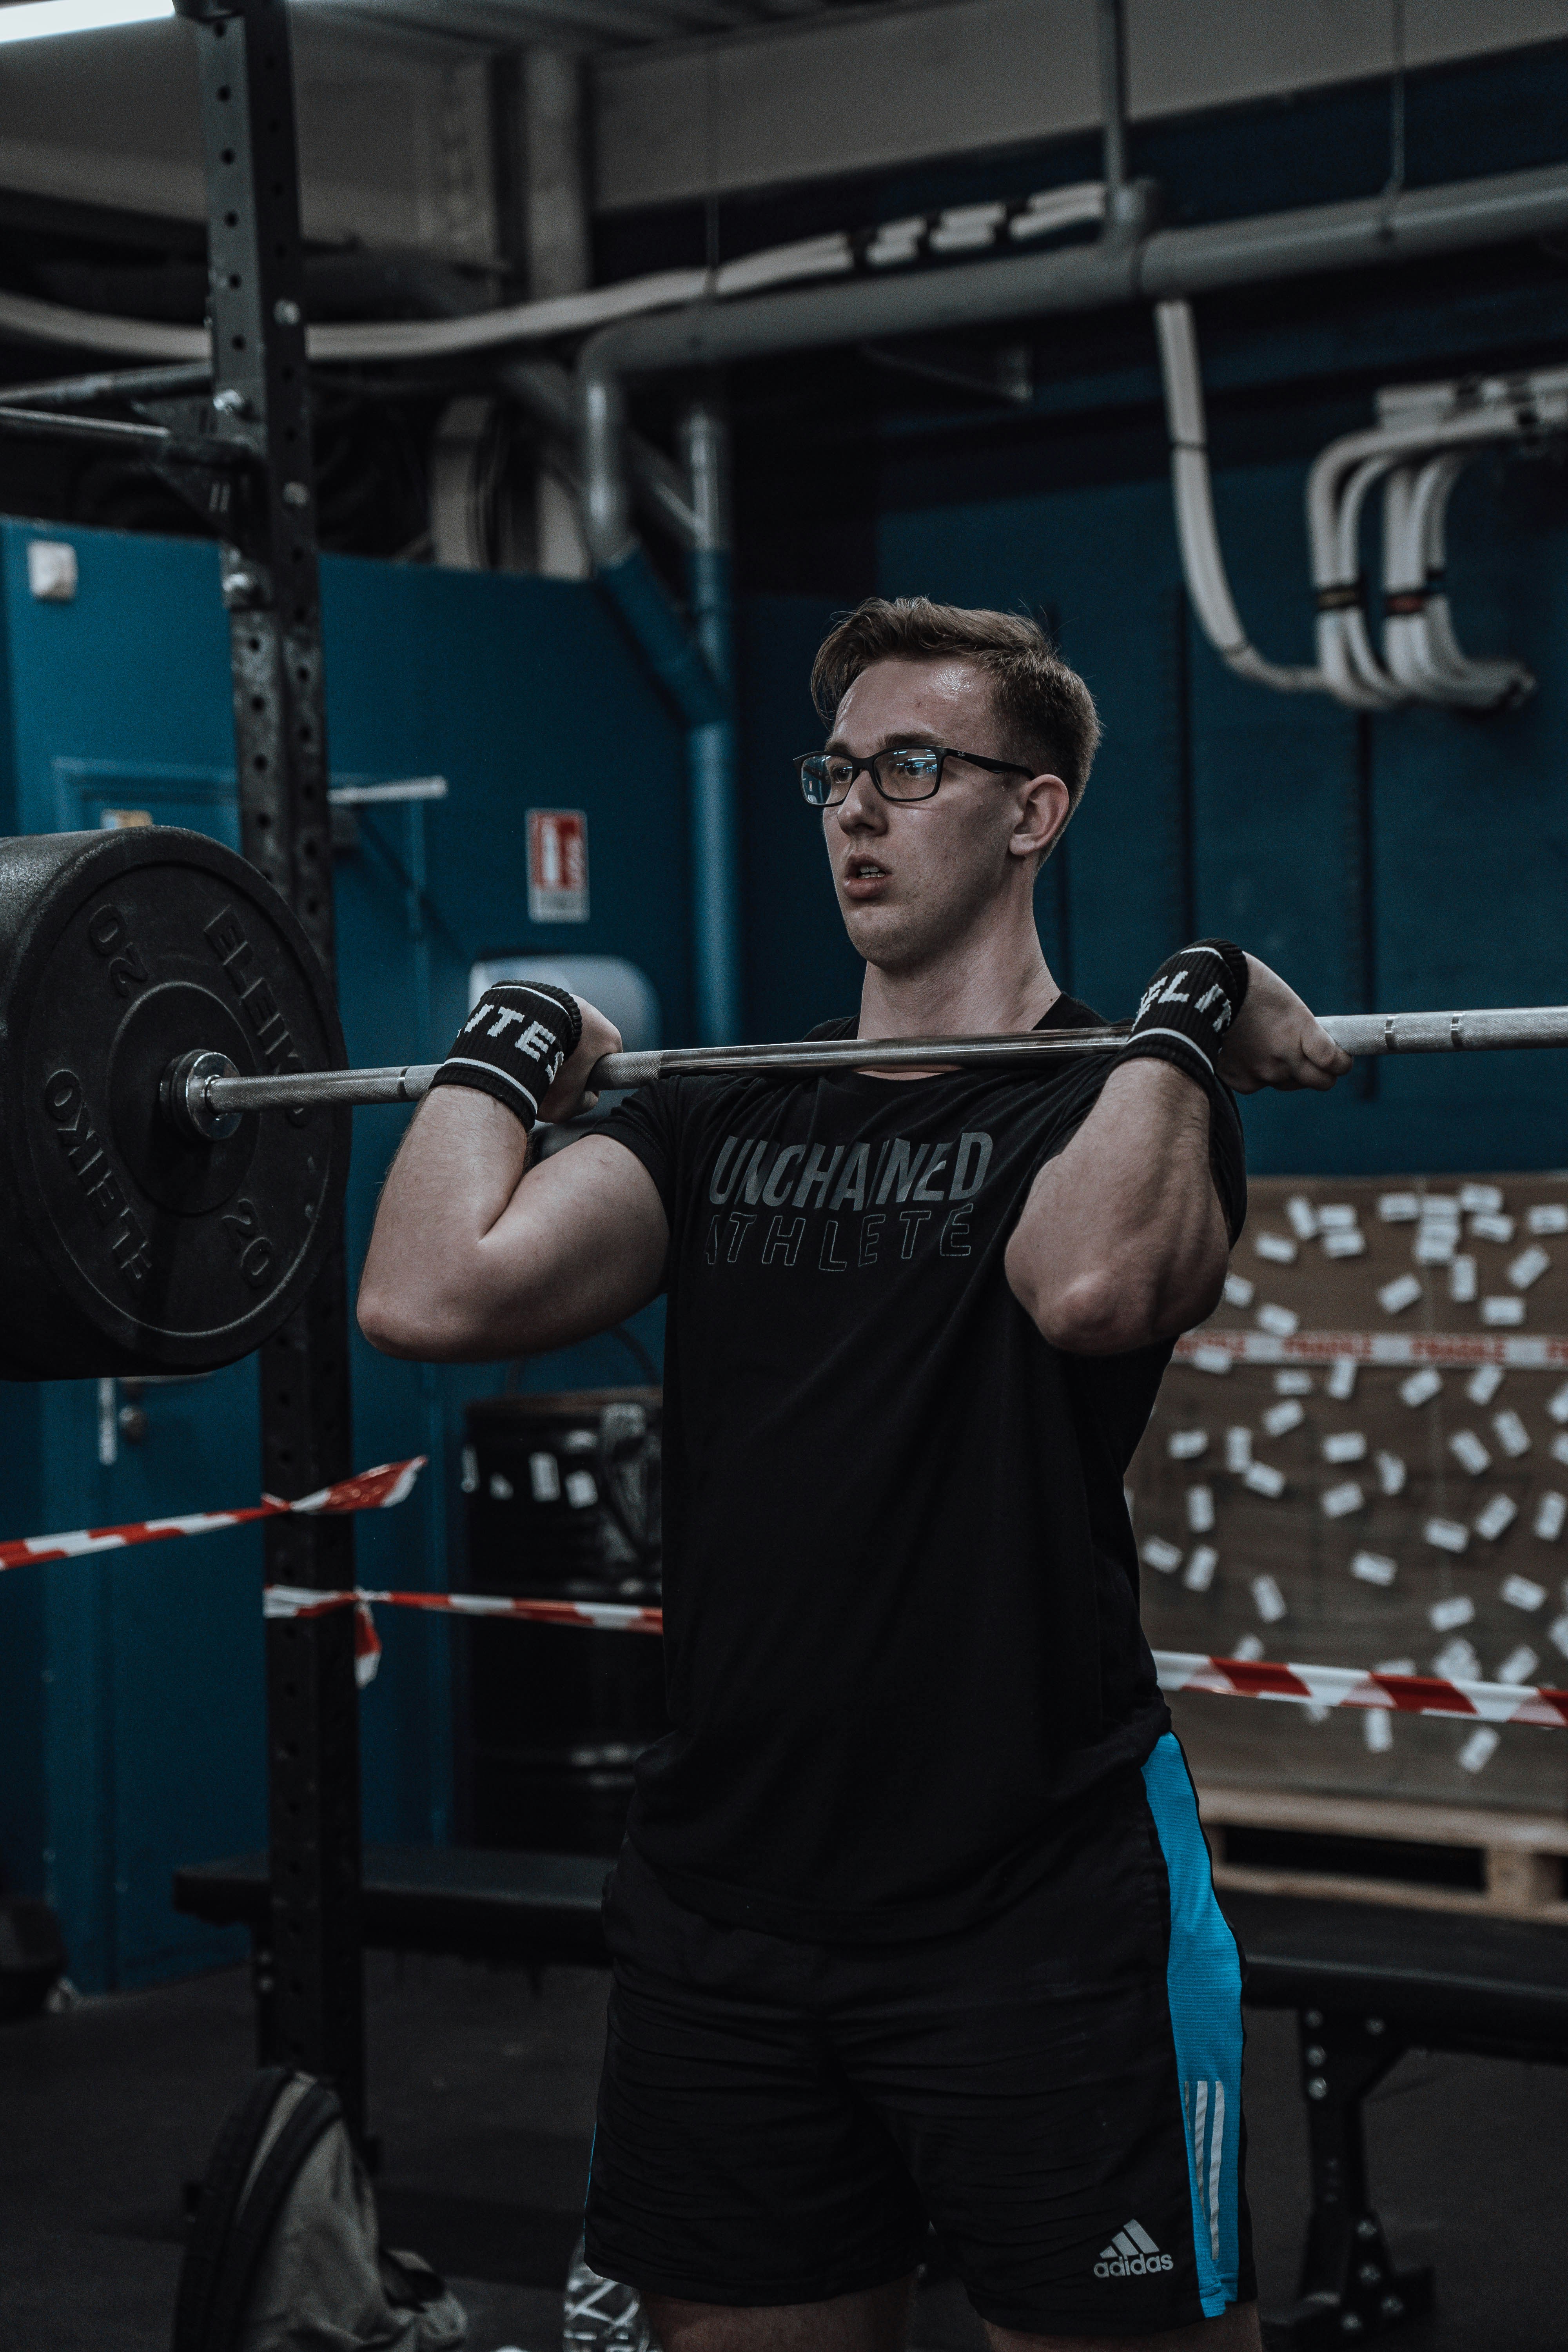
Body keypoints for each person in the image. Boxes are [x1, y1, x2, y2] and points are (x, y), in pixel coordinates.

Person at [359, 598, 1351, 2352]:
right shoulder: (722, 1110)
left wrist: (1185, 1008)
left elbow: (1096, 1286)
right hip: (726, 1904)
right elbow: (431, 1292)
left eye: (911, 767)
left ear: (1031, 810)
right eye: (835, 773)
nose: (853, 812)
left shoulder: (1114, 1109)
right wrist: (508, 1042)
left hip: (1033, 1902)